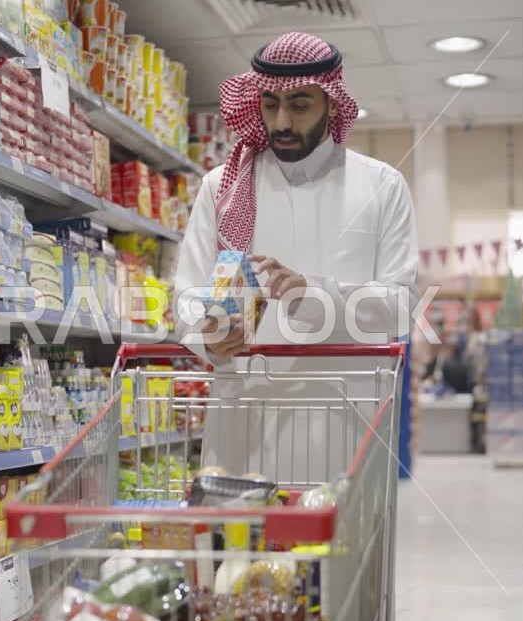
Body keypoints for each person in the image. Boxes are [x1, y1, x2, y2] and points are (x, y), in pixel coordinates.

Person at [174, 32, 419, 483]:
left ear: (332, 103)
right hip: (244, 417)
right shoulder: (221, 187)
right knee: (240, 528)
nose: (282, 121)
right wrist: (207, 336)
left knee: (337, 526)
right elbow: (187, 294)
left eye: (300, 105)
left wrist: (315, 295)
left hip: (344, 419)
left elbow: (400, 304)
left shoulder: (381, 186)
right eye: (270, 105)